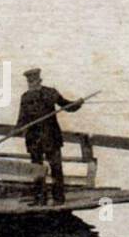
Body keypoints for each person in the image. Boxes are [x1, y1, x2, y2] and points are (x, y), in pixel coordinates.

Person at [16, 68, 84, 205]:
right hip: (33, 139)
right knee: (36, 170)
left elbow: (67, 105)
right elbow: (22, 118)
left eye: (34, 80)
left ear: (39, 80)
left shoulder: (50, 93)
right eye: (29, 81)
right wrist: (18, 128)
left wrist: (77, 104)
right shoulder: (25, 97)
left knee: (56, 168)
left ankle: (59, 199)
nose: (32, 83)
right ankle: (39, 199)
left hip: (51, 137)